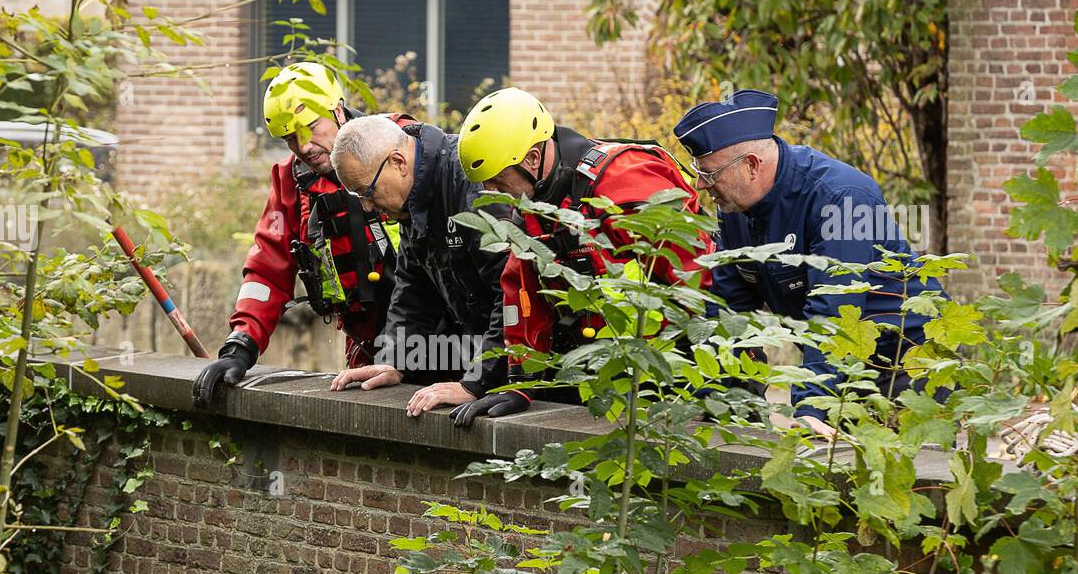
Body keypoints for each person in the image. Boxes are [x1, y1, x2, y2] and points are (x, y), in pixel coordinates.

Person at [672, 88, 946, 438]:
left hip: (907, 364)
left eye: (710, 174)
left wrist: (811, 407)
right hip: (846, 366)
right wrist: (713, 399)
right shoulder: (735, 208)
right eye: (698, 171)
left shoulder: (843, 198)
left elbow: (836, 310)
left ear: (751, 165)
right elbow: (729, 310)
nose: (700, 185)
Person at [448, 87, 714, 426]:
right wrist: (519, 383)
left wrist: (709, 372)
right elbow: (523, 295)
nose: (493, 193)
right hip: (614, 363)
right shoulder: (536, 205)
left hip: (686, 361)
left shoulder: (623, 178)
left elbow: (696, 278)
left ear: (532, 159)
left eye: (499, 181)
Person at [192, 62, 415, 406]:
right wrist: (240, 345)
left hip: (440, 338)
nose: (304, 146)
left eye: (311, 127)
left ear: (337, 110)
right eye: (290, 138)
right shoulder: (293, 183)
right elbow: (267, 272)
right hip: (367, 347)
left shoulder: (401, 144)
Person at [327, 114, 509, 417]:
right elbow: (413, 286)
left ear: (398, 162)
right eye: (359, 198)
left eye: (368, 192)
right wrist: (394, 360)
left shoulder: (470, 185)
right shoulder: (414, 198)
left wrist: (476, 383)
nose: (368, 207)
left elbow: (512, 292)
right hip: (492, 354)